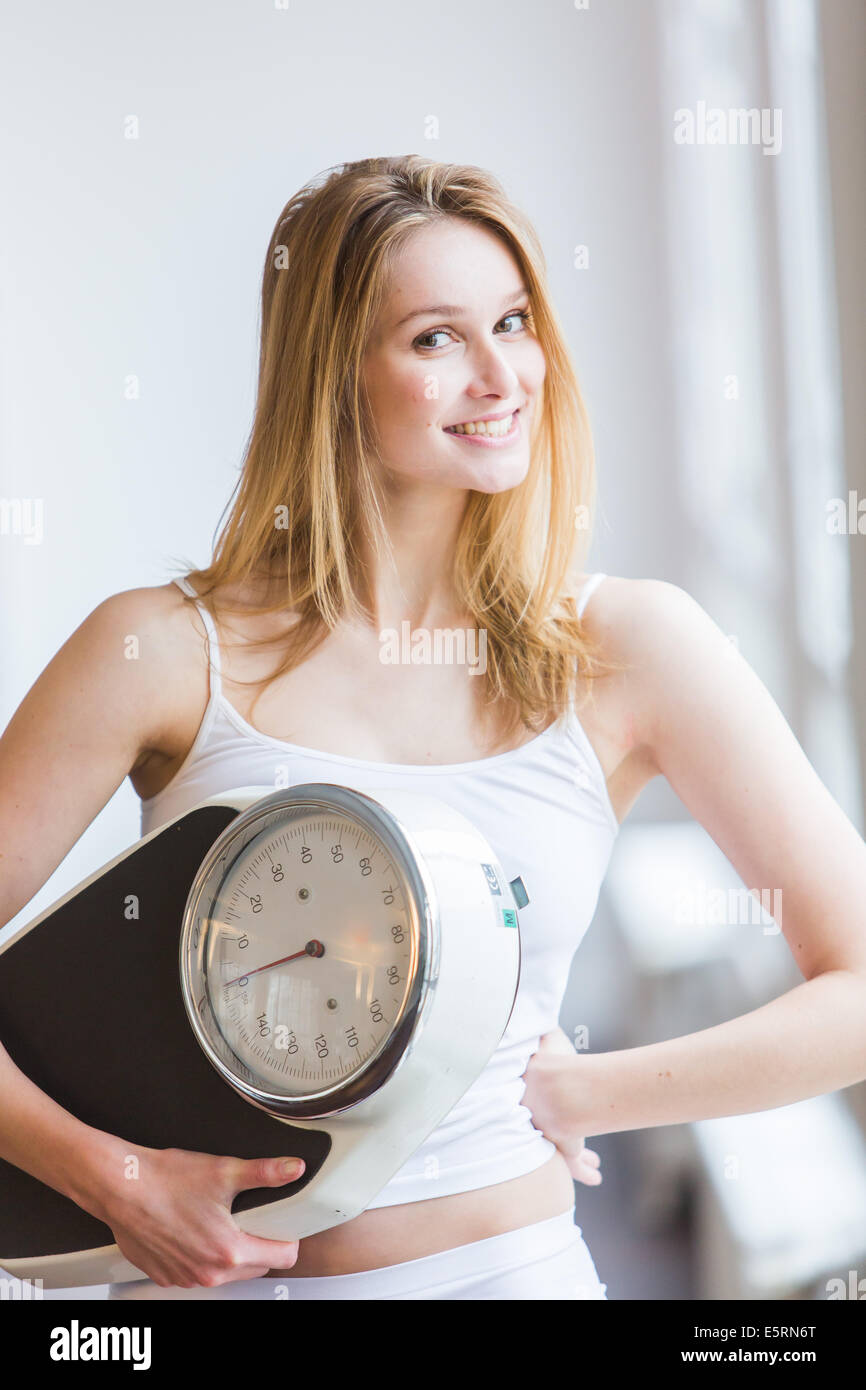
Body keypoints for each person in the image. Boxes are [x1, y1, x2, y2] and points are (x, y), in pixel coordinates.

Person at [3, 156, 865, 1301]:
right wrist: (117, 1183)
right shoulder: (162, 650)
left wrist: (590, 1091)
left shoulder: (625, 648)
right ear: (333, 373)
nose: (502, 373)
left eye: (512, 321)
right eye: (434, 338)